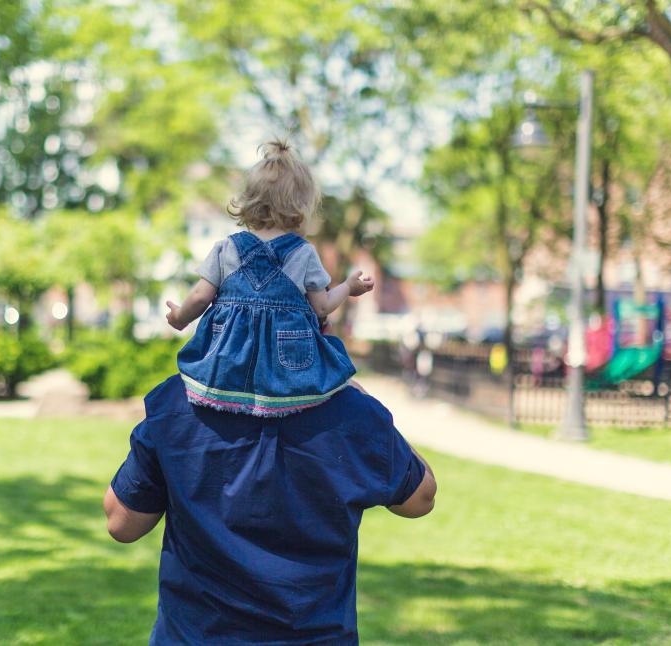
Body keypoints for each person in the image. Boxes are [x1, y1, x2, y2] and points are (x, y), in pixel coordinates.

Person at [103, 373, 437, 644]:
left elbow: (121, 522)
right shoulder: (352, 410)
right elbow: (421, 497)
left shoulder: (178, 400)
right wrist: (366, 407)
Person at [164, 139, 374, 417]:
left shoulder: (226, 247)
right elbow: (322, 307)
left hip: (227, 367)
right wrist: (347, 287)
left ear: (249, 201)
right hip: (285, 373)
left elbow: (201, 296)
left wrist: (181, 317)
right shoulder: (304, 253)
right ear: (302, 207)